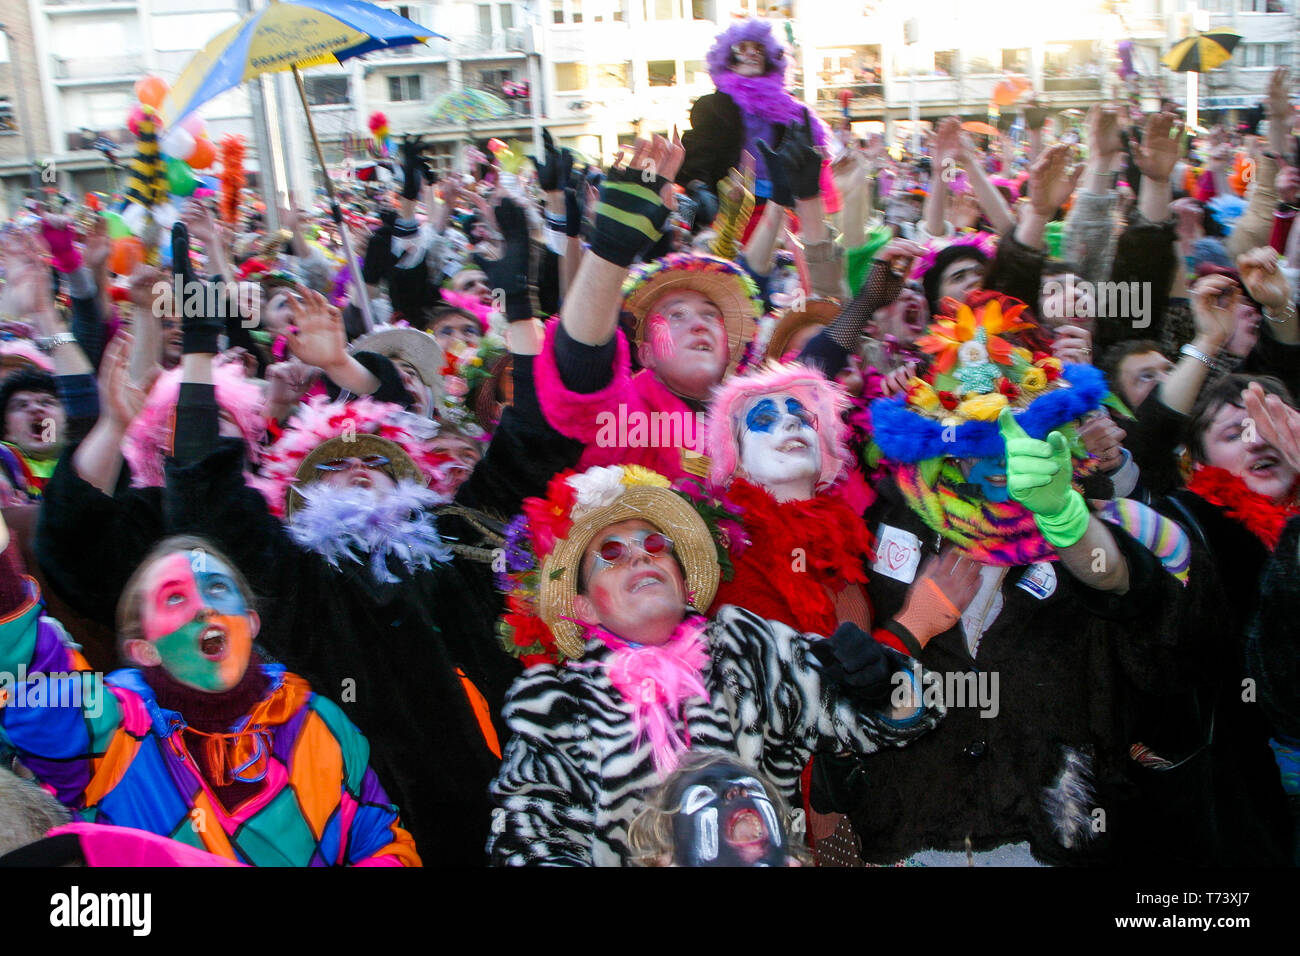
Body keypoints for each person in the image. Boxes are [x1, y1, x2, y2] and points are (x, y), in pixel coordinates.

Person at [824, 294, 1204, 865]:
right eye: (976, 426)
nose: (997, 453)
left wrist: (1068, 518)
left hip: (1053, 836)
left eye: (1014, 417)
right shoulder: (884, 520)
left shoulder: (1079, 513)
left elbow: (1143, 614)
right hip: (914, 837)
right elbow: (841, 683)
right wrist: (910, 628)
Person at [487, 464, 944, 865]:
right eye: (611, 553)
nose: (641, 554)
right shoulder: (561, 707)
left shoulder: (745, 647)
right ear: (585, 608)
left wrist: (881, 682)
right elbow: (529, 834)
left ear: (683, 583)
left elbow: (883, 719)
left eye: (653, 542)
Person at [0, 522, 420, 866]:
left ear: (251, 621)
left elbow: (381, 843)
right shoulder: (111, 727)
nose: (204, 607)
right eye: (175, 596)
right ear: (143, 649)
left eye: (218, 588)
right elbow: (32, 679)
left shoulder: (320, 721)